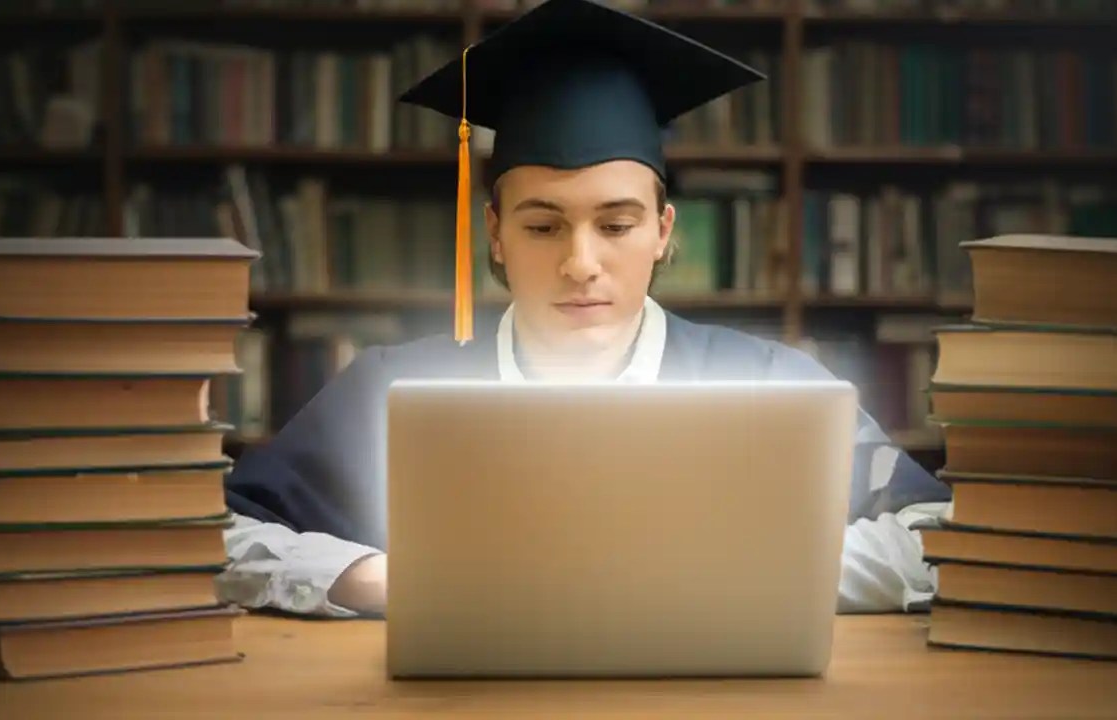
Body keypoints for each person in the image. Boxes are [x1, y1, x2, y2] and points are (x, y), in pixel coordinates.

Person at [214, 0, 952, 619]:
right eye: (541, 225)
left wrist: (743, 579)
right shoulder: (387, 392)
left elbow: (940, 537)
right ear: (495, 234)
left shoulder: (771, 386)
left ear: (663, 233)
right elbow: (218, 535)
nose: (579, 262)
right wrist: (371, 580)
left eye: (616, 224)